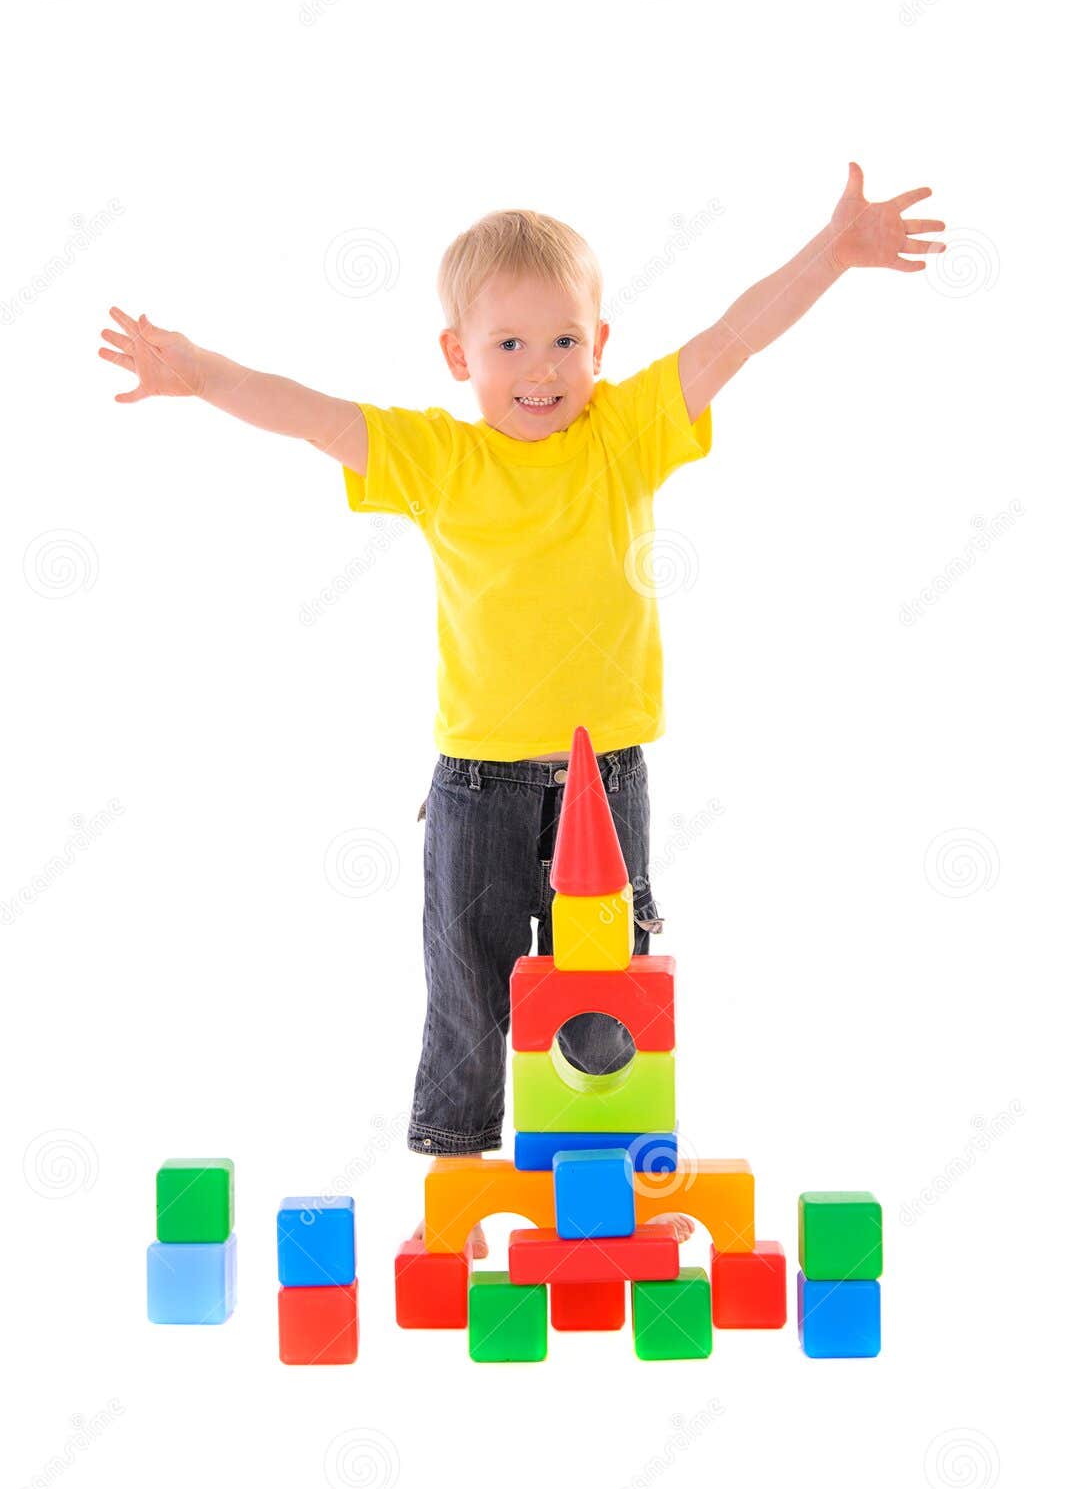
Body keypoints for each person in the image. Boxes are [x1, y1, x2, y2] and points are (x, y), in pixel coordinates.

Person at [98, 170, 945, 1206]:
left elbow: (729, 340)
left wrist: (830, 251)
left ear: (599, 344)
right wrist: (200, 371)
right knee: (466, 983)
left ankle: (606, 1181)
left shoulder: (623, 436)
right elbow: (313, 417)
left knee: (604, 994)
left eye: (562, 343)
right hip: (476, 785)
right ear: (458, 355)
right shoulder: (438, 458)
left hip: (606, 778)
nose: (538, 369)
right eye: (507, 346)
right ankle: (458, 1181)